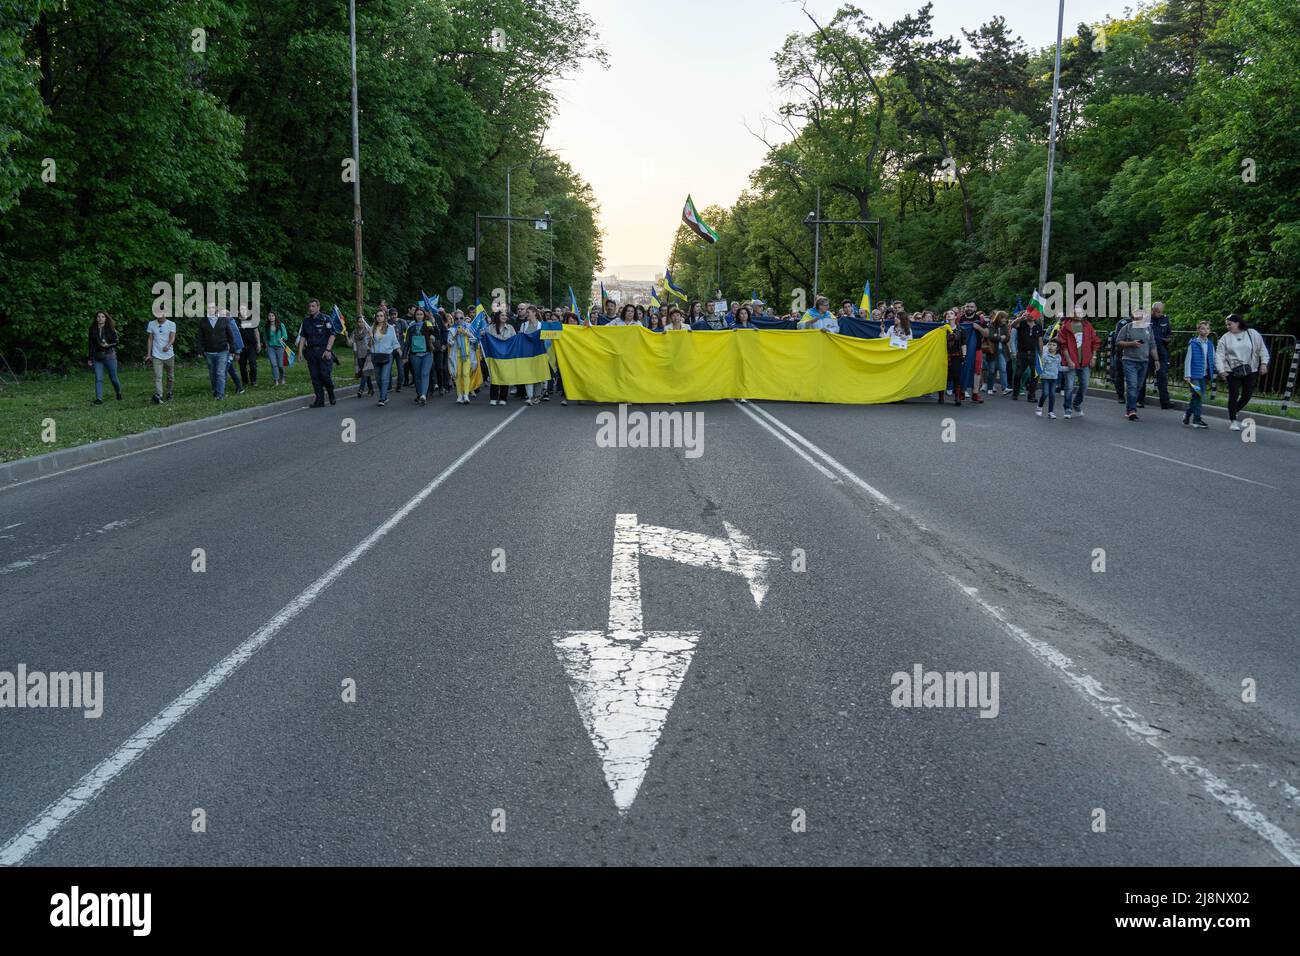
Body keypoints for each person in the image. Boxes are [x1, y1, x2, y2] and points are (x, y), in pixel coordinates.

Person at [1215, 313, 1269, 431]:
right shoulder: (1225, 338)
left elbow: (1262, 349)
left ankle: (1234, 411)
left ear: (1238, 323)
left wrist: (1264, 363)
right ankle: (1233, 420)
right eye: (1226, 325)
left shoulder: (1252, 333)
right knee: (1233, 395)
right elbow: (1219, 355)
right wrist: (1221, 370)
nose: (1228, 327)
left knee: (1247, 395)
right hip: (1232, 371)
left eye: (1230, 324)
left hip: (1251, 369)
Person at [1114, 309, 1159, 421]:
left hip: (1144, 361)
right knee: (1132, 385)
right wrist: (1132, 343)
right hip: (1129, 360)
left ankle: (1130, 408)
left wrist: (1156, 360)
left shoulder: (1148, 328)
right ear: (1133, 317)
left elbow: (1152, 345)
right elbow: (1118, 342)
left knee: (1138, 387)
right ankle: (1132, 411)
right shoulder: (1127, 327)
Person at [1056, 313, 1099, 417]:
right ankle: (1068, 409)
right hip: (1070, 362)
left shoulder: (1087, 325)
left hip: (1085, 362)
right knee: (1069, 387)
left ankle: (1077, 404)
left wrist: (1094, 357)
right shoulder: (1065, 327)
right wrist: (1069, 360)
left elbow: (1095, 342)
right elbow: (1063, 346)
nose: (1078, 314)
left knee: (1084, 386)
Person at [297, 298, 337, 407]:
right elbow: (303, 336)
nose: (311, 308)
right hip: (311, 352)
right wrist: (300, 351)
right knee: (315, 377)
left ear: (318, 307)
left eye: (313, 306)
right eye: (309, 306)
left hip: (323, 351)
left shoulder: (326, 319)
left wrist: (328, 350)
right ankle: (319, 400)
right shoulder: (306, 320)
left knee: (324, 375)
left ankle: (331, 393)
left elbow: (332, 335)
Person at [199, 303, 238, 399]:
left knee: (220, 373)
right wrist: (199, 349)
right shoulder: (203, 321)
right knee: (213, 374)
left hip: (222, 351)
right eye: (209, 307)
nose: (211, 309)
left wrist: (232, 349)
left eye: (213, 307)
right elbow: (200, 337)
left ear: (216, 308)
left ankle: (220, 394)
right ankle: (216, 390)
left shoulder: (224, 320)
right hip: (209, 352)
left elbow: (230, 335)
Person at [1183, 320, 1214, 429]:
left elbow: (1212, 359)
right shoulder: (1194, 343)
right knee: (1198, 394)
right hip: (1194, 375)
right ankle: (1197, 419)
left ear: (1209, 331)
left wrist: (1213, 373)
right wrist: (1187, 374)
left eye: (1207, 329)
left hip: (1204, 375)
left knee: (1197, 396)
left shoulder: (1210, 344)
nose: (1205, 331)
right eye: (1202, 328)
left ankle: (1187, 414)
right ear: (1198, 330)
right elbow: (1188, 359)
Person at [87, 311, 122, 405]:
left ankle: (118, 392)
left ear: (106, 318)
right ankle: (99, 399)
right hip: (97, 357)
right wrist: (89, 358)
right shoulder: (92, 329)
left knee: (113, 378)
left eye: (102, 317)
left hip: (109, 356)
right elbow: (90, 344)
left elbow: (117, 342)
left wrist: (108, 345)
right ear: (96, 318)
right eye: (98, 317)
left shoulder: (110, 329)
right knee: (98, 378)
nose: (100, 318)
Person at [404, 307, 436, 406]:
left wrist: (433, 335)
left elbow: (435, 334)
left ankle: (423, 395)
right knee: (417, 376)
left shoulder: (428, 324)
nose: (419, 316)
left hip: (427, 353)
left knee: (424, 374)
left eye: (421, 314)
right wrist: (404, 356)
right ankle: (419, 394)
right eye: (417, 314)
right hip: (415, 355)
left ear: (424, 316)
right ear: (415, 316)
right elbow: (407, 343)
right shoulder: (411, 327)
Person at [1010, 309, 1043, 401]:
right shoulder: (1022, 323)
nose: (1031, 316)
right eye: (1030, 314)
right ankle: (1015, 392)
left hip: (1034, 353)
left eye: (1034, 314)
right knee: (1018, 374)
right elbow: (1012, 325)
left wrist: (1041, 354)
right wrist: (1020, 318)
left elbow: (1040, 340)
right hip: (1022, 353)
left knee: (1035, 375)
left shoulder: (1038, 326)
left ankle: (1031, 395)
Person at [370, 310, 400, 407]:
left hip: (387, 355)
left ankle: (382, 398)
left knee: (384, 378)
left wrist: (400, 352)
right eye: (377, 316)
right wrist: (370, 339)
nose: (379, 317)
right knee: (378, 379)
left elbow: (394, 341)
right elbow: (368, 343)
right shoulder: (372, 329)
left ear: (384, 317)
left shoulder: (390, 328)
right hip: (375, 355)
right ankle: (385, 395)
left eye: (381, 316)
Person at [145, 311, 176, 404]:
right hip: (156, 355)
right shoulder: (151, 324)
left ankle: (169, 392)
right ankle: (159, 395)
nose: (159, 316)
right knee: (158, 376)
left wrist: (168, 345)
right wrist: (148, 354)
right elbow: (150, 339)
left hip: (169, 354)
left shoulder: (171, 324)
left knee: (170, 376)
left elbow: (172, 337)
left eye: (161, 314)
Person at [485, 311, 515, 405]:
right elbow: (485, 338)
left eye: (506, 315)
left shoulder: (510, 328)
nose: (504, 317)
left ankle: (503, 398)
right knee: (494, 376)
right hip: (494, 357)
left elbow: (514, 341)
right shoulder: (490, 328)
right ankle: (493, 397)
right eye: (502, 315)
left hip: (506, 357)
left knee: (504, 376)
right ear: (498, 316)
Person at [449, 311, 479, 404]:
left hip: (467, 355)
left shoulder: (469, 327)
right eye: (457, 318)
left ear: (463, 318)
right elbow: (450, 343)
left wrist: (467, 333)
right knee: (458, 375)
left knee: (466, 374)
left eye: (461, 318)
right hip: (456, 355)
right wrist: (456, 335)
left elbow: (475, 340)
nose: (459, 320)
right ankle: (459, 395)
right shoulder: (451, 330)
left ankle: (466, 394)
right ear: (454, 319)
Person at [1149, 302, 1173, 409]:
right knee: (1143, 375)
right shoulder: (1146, 320)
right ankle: (1139, 400)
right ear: (1152, 310)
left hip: (1162, 351)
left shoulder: (1165, 319)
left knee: (1162, 376)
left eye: (1161, 312)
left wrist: (1166, 340)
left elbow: (1169, 335)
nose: (1159, 314)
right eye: (1157, 311)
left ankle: (1165, 402)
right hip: (1148, 351)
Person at [940, 310, 965, 405]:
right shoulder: (942, 329)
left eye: (951, 313)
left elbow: (963, 344)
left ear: (955, 316)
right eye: (947, 313)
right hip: (943, 356)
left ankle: (957, 398)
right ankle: (941, 397)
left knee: (956, 376)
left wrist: (964, 355)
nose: (948, 315)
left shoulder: (961, 329)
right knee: (942, 375)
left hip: (956, 355)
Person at [982, 311, 1011, 395]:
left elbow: (1008, 337)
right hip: (992, 352)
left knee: (1003, 369)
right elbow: (990, 337)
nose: (1005, 320)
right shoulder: (991, 325)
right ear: (999, 318)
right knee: (991, 371)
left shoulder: (1005, 326)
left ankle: (1004, 388)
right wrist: (1001, 337)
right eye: (1004, 318)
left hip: (1002, 351)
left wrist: (998, 337)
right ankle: (990, 388)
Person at [1036, 338, 1064, 419]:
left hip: (1054, 378)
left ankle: (1050, 412)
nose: (1051, 346)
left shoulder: (1059, 357)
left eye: (1054, 345)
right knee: (1045, 393)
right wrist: (1040, 375)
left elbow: (1059, 368)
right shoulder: (1045, 356)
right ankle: (1039, 407)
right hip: (1045, 378)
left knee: (1052, 395)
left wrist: (1069, 368)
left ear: (1057, 348)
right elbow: (1041, 367)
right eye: (1050, 344)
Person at [351, 311, 375, 398]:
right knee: (366, 373)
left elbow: (371, 343)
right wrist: (346, 335)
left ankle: (360, 390)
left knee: (364, 372)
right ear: (357, 323)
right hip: (359, 355)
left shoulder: (368, 331)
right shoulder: (355, 332)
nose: (361, 323)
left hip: (368, 354)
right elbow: (350, 343)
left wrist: (371, 337)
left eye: (362, 321)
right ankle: (371, 389)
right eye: (359, 322)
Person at [264, 312, 289, 387]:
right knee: (274, 364)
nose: (271, 317)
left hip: (280, 347)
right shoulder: (266, 326)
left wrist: (282, 338)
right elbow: (265, 337)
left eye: (272, 315)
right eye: (269, 316)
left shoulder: (281, 325)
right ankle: (276, 380)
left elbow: (285, 335)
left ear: (275, 317)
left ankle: (283, 377)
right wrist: (266, 346)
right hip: (271, 347)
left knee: (280, 365)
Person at [238, 307, 261, 386]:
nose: (243, 311)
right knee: (242, 365)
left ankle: (253, 380)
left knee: (252, 363)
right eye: (241, 309)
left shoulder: (252, 320)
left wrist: (258, 343)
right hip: (241, 347)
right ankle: (245, 381)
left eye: (244, 309)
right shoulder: (236, 321)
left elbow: (256, 331)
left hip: (251, 346)